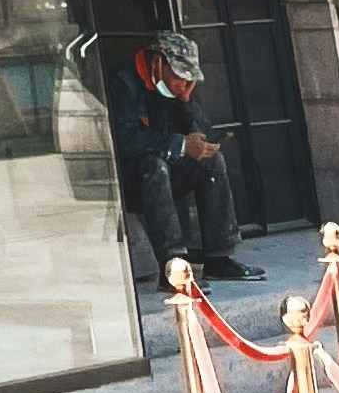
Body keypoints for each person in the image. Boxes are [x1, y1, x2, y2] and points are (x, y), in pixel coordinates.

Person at [106, 32, 261, 284]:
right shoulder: (122, 82)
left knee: (211, 161)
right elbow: (123, 140)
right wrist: (179, 144)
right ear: (157, 63)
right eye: (178, 75)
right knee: (155, 167)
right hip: (128, 178)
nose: (182, 83)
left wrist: (186, 104)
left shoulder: (174, 91)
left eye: (188, 78)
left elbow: (202, 134)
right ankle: (174, 266)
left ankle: (219, 257)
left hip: (164, 171)